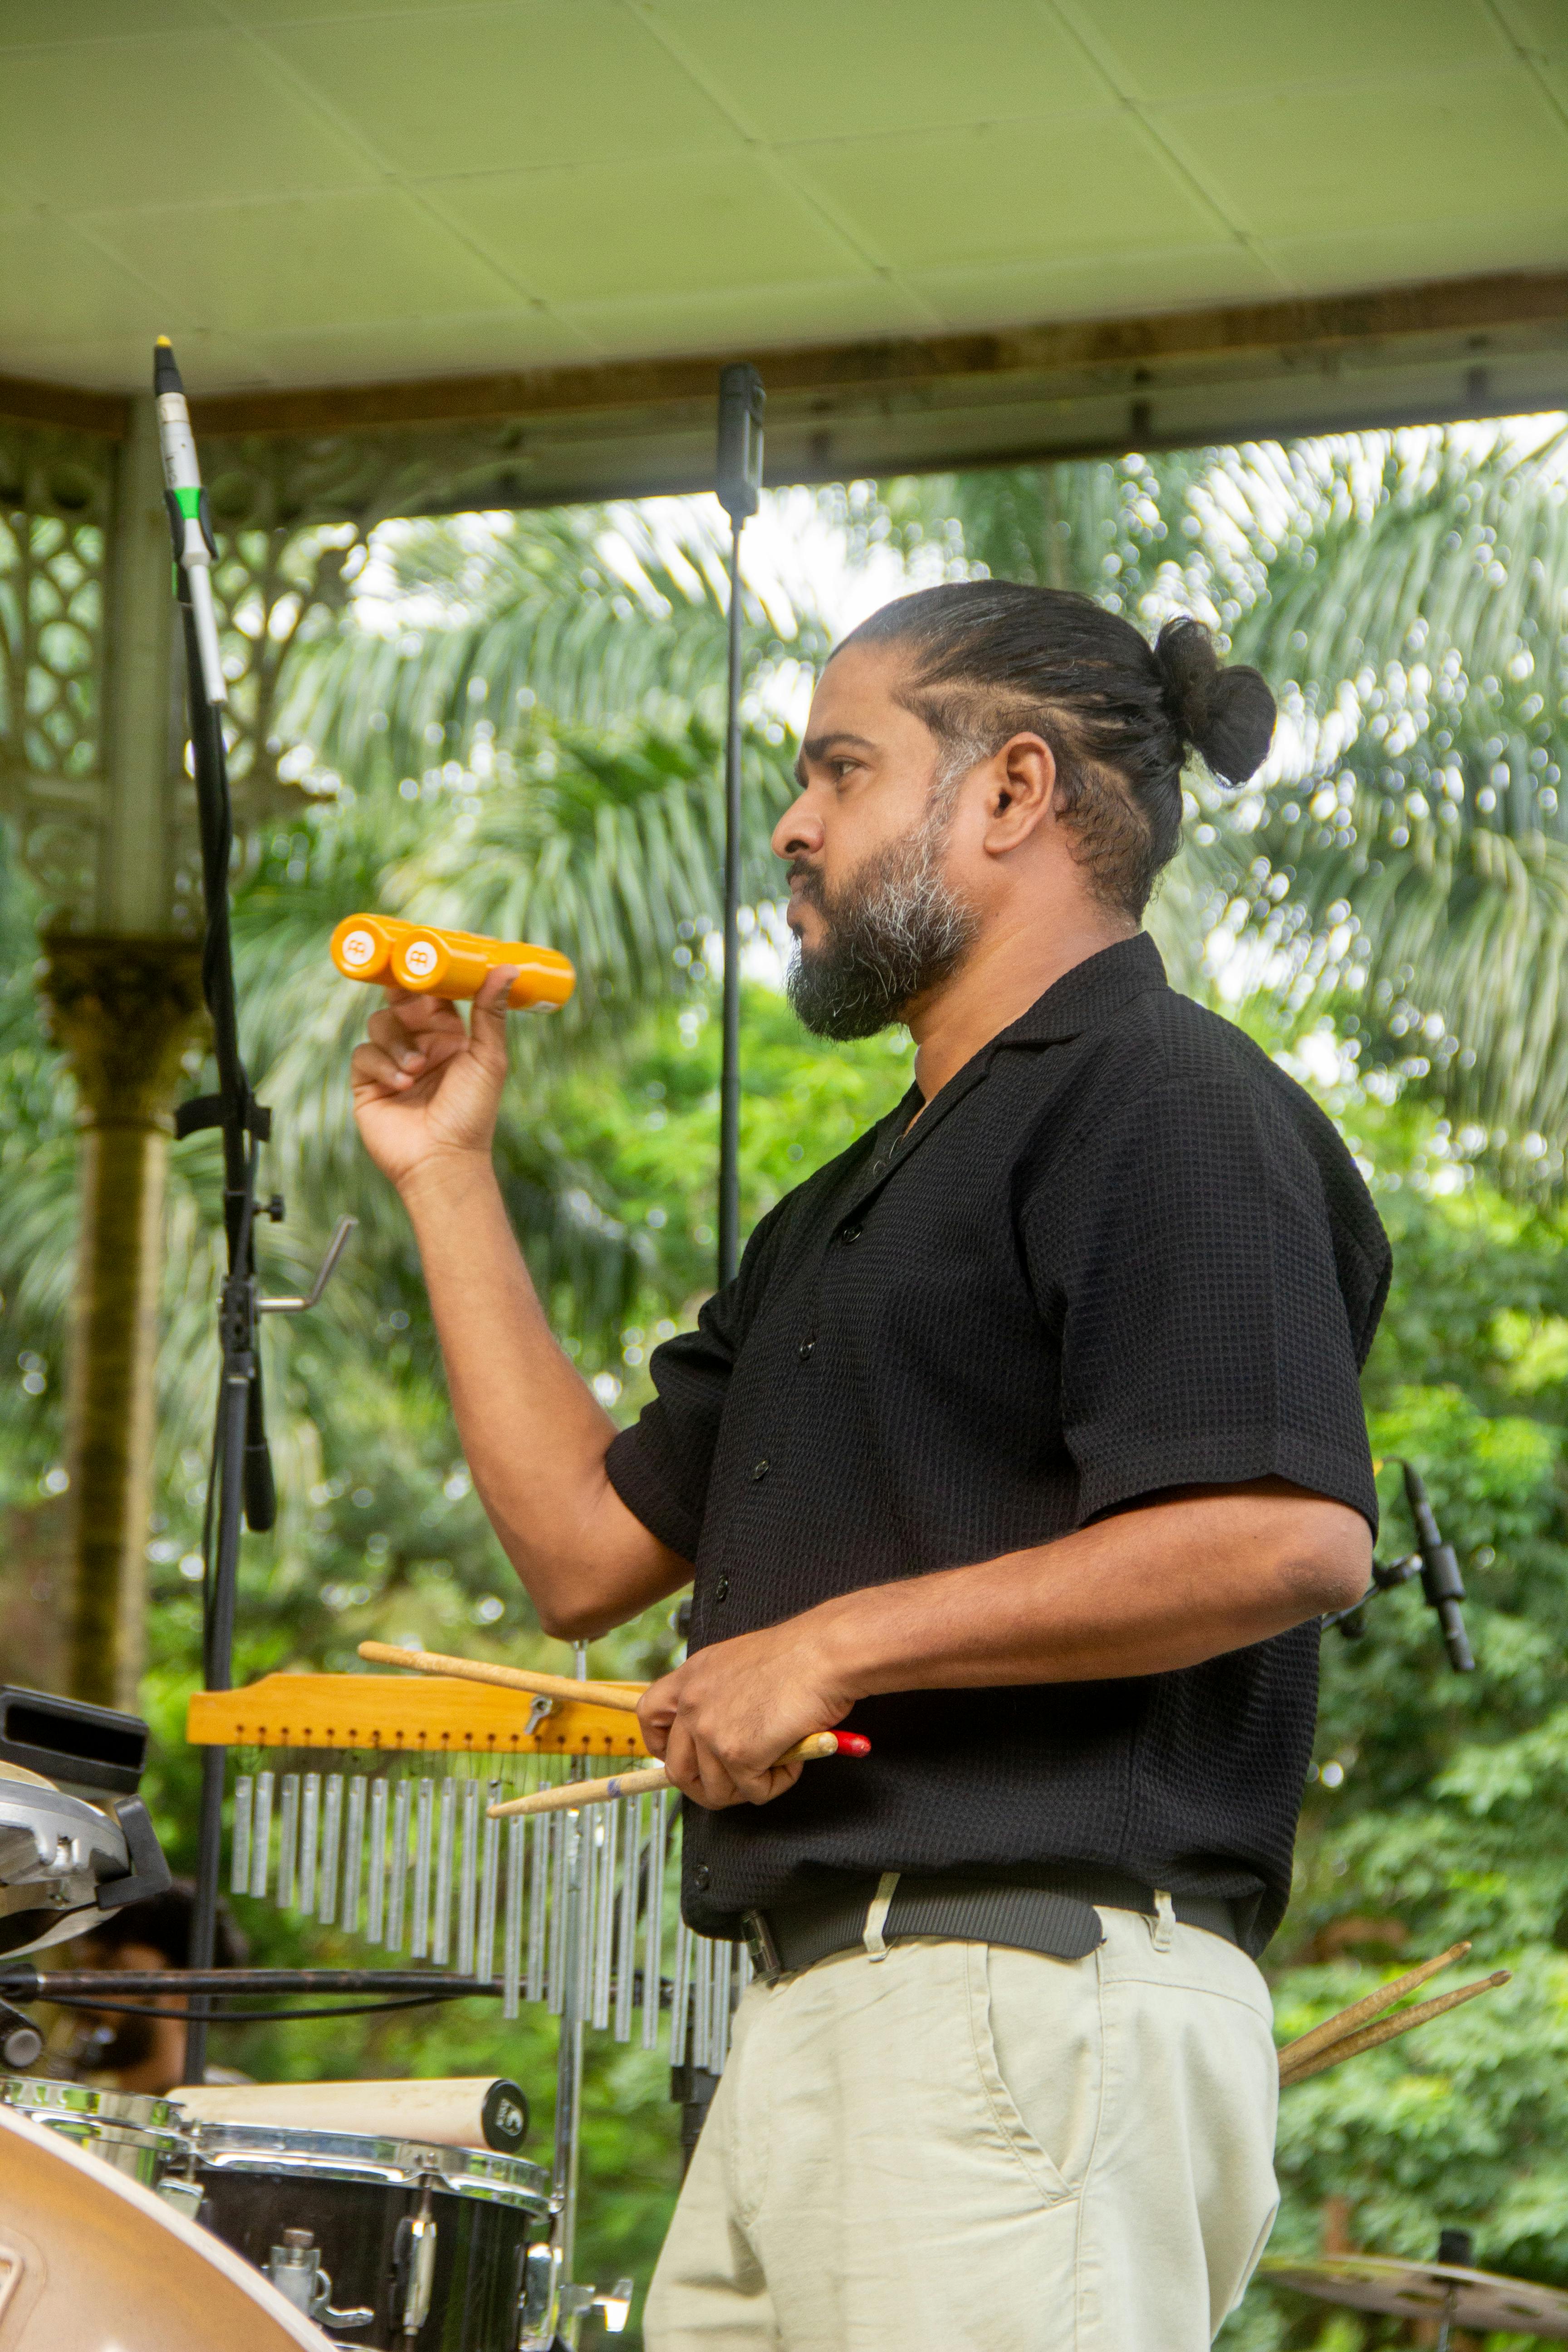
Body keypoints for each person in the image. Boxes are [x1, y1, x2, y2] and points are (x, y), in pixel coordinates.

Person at [350, 582, 1389, 2351]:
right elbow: (587, 1553)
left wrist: (829, 1648)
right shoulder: (846, 1202)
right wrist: (448, 1170)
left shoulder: (1170, 1099)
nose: (792, 822)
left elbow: (1284, 1537)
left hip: (1019, 1995)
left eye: (841, 769)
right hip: (825, 2012)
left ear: (1012, 793)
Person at [45, 1880, 247, 2096]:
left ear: (185, 1991)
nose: (82, 1986)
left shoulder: (238, 2111)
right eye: (80, 1968)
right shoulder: (72, 2105)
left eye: (109, 1965)